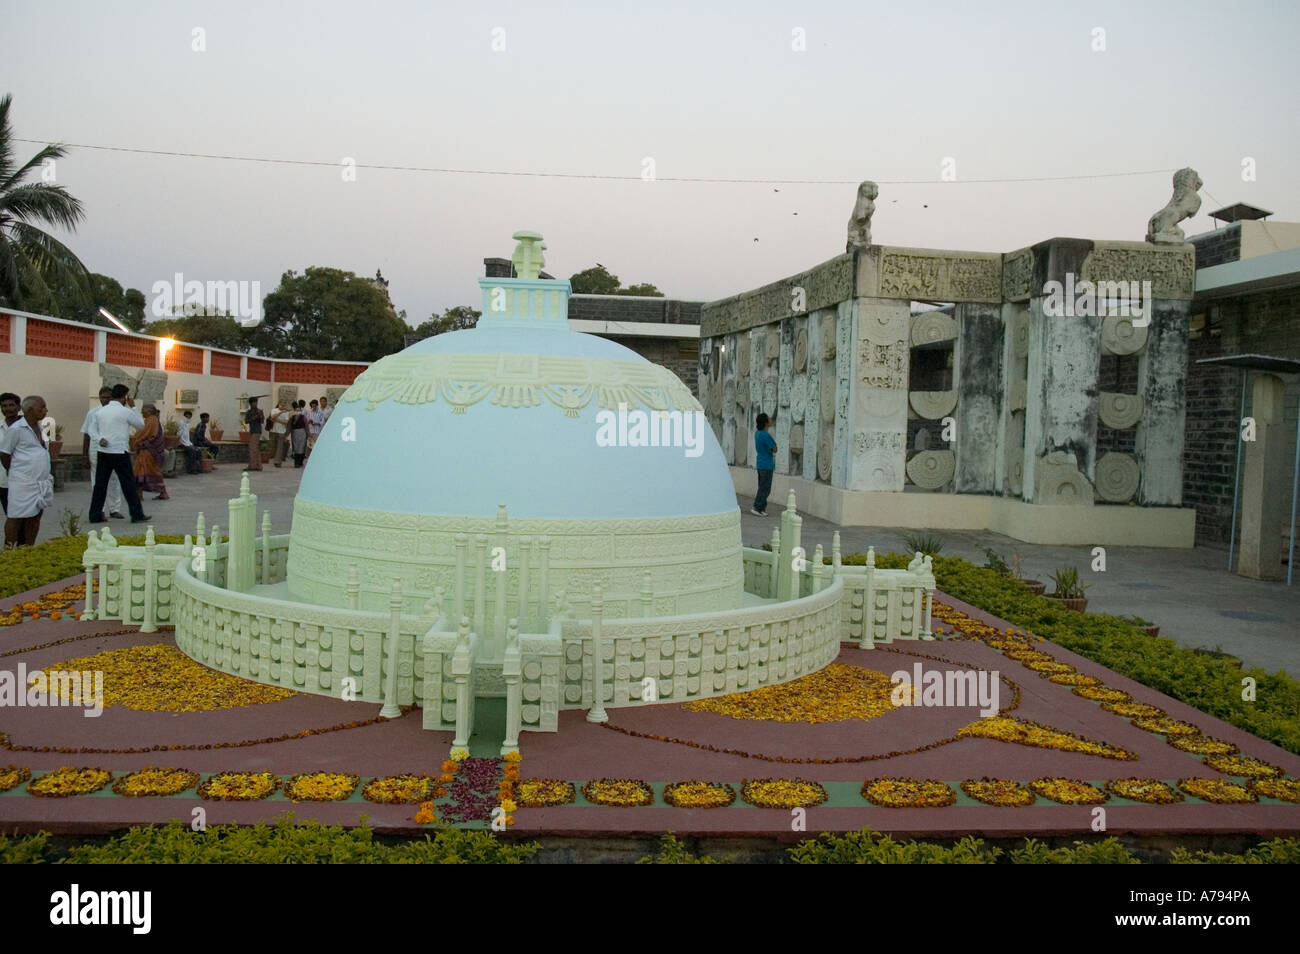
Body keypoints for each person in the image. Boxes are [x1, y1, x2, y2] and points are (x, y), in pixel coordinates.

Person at [89, 385, 149, 524]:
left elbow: (92, 429)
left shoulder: (101, 412)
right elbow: (140, 425)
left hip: (103, 451)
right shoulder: (125, 412)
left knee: (100, 485)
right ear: (124, 397)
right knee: (128, 484)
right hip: (120, 451)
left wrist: (99, 439)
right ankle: (136, 514)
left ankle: (95, 514)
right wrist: (133, 407)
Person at [1, 395, 54, 547]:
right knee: (15, 517)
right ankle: (10, 550)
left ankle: (29, 549)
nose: (45, 410)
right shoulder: (16, 429)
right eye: (42, 407)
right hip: (22, 483)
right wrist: (17, 472)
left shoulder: (40, 426)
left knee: (35, 517)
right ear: (30, 410)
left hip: (40, 482)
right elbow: (5, 454)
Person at [81, 387, 125, 518]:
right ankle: (99, 510)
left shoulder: (118, 412)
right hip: (96, 450)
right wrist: (84, 456)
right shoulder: (93, 413)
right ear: (99, 397)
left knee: (114, 479)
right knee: (98, 481)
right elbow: (86, 434)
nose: (106, 400)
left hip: (114, 450)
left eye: (109, 397)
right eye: (104, 397)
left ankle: (114, 509)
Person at [131, 404, 169, 499]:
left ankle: (162, 492)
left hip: (149, 451)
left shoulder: (151, 420)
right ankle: (139, 493)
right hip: (148, 451)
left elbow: (145, 434)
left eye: (143, 410)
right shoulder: (153, 420)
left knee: (146, 471)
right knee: (142, 471)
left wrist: (137, 441)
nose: (142, 412)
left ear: (149, 411)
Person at [751, 412, 777, 516]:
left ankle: (762, 508)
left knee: (762, 486)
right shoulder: (766, 435)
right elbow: (775, 449)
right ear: (766, 423)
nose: (771, 419)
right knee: (765, 488)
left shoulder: (757, 433)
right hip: (767, 464)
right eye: (768, 418)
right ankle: (757, 507)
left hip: (760, 463)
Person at [0, 392, 20, 515]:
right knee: (10, 515)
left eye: (11, 405)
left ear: (18, 407)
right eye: (4, 406)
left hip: (23, 481)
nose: (8, 409)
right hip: (3, 481)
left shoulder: (29, 427)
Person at [244, 396, 265, 471]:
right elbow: (246, 421)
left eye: (256, 402)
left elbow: (262, 421)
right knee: (255, 448)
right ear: (250, 403)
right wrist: (254, 417)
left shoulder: (259, 411)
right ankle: (258, 466)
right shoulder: (249, 412)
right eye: (254, 403)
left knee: (253, 448)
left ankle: (253, 466)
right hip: (252, 430)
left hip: (257, 431)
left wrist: (260, 415)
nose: (255, 404)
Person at [268, 400, 289, 467]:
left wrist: (277, 420)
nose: (283, 406)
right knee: (273, 447)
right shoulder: (274, 410)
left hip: (281, 431)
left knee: (280, 447)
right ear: (279, 404)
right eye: (282, 404)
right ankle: (275, 459)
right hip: (273, 431)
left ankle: (277, 461)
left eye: (284, 405)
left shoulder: (286, 413)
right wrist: (280, 412)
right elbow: (272, 417)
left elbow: (286, 422)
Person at [179, 410, 201, 474]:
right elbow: (180, 435)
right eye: (188, 417)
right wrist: (186, 444)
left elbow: (187, 437)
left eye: (190, 417)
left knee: (198, 450)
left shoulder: (187, 424)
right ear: (185, 416)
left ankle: (198, 467)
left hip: (187, 443)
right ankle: (191, 469)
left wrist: (189, 444)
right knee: (192, 450)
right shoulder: (181, 423)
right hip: (182, 443)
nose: (189, 418)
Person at [289, 400, 309, 467]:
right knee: (296, 448)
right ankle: (296, 462)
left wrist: (308, 434)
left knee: (302, 447)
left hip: (302, 432)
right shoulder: (292, 417)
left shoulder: (303, 417)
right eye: (296, 410)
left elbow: (306, 426)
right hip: (295, 433)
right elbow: (289, 426)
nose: (298, 411)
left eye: (299, 409)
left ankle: (300, 461)